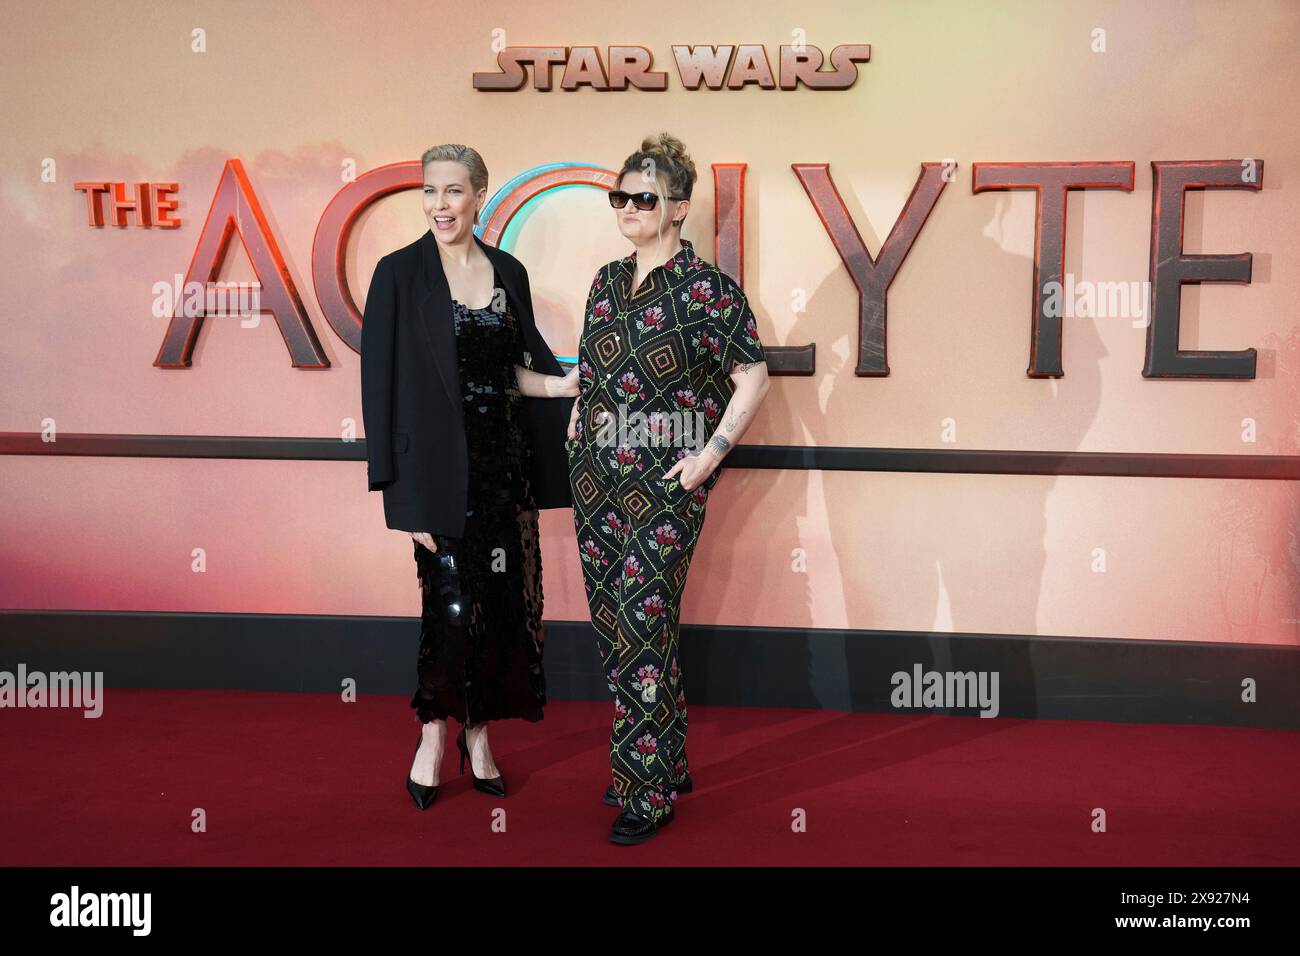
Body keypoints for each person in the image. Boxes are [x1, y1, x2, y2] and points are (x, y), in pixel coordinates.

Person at [565, 132, 770, 843]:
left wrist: (710, 456)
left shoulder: (711, 291)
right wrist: (576, 417)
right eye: (619, 196)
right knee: (613, 627)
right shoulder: (604, 281)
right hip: (594, 480)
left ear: (678, 207)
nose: (626, 207)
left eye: (643, 197)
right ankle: (668, 759)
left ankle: (646, 790)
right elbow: (592, 371)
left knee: (641, 627)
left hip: (665, 485)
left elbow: (753, 375)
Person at [360, 143, 578, 811]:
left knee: (501, 611)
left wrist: (568, 384)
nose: (439, 204)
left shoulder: (507, 269)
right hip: (436, 480)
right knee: (450, 609)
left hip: (504, 472)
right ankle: (432, 734)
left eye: (453, 191)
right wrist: (400, 499)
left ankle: (477, 736)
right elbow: (379, 387)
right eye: (429, 191)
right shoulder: (398, 275)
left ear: (479, 195)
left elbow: (513, 372)